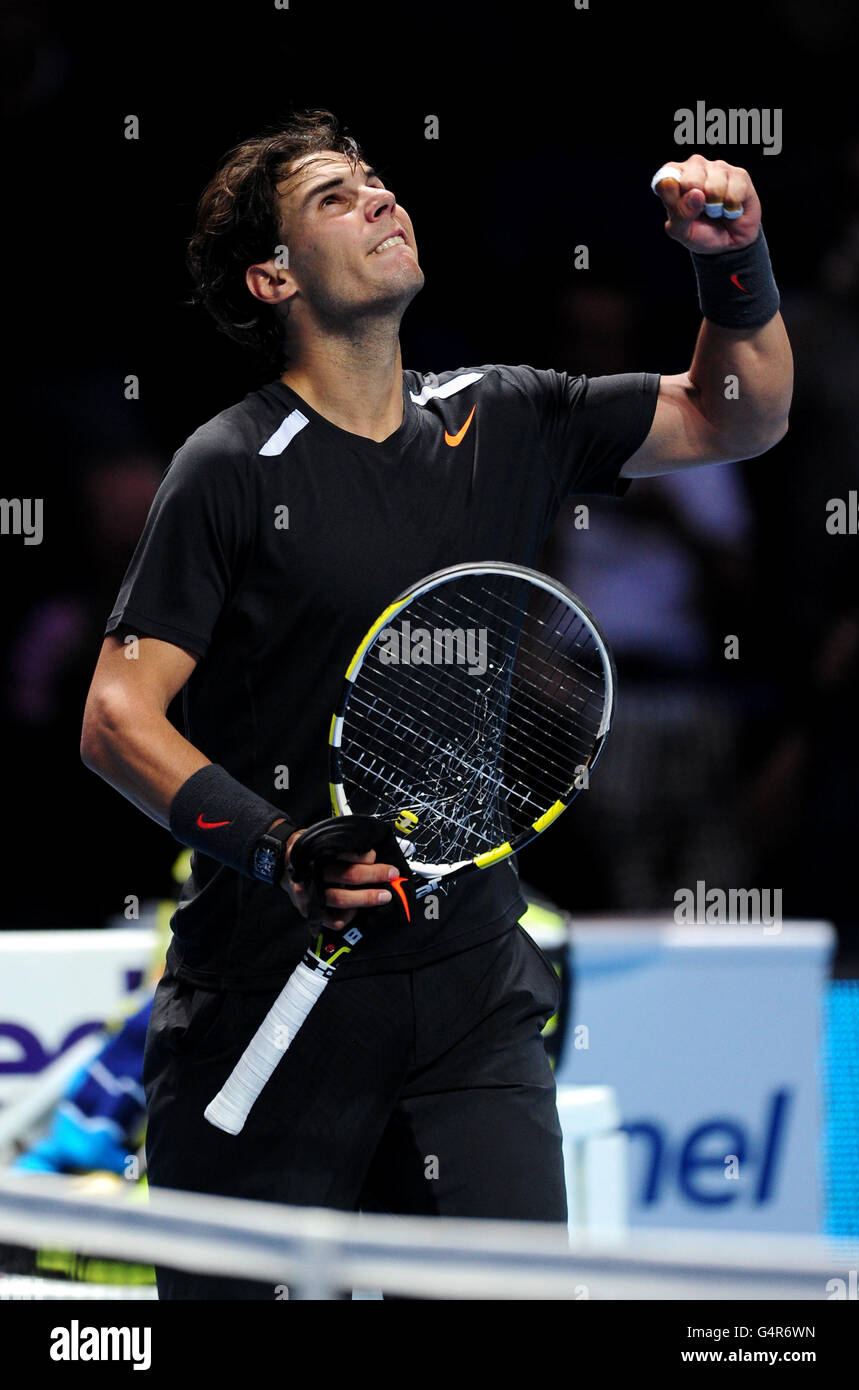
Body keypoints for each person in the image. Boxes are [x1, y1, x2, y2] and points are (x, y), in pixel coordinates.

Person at [80, 110, 792, 1299]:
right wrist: (280, 848)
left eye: (378, 181)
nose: (378, 199)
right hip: (269, 999)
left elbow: (739, 414)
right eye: (331, 196)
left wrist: (731, 261)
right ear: (273, 276)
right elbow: (116, 717)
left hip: (470, 997)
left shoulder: (504, 414)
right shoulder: (229, 468)